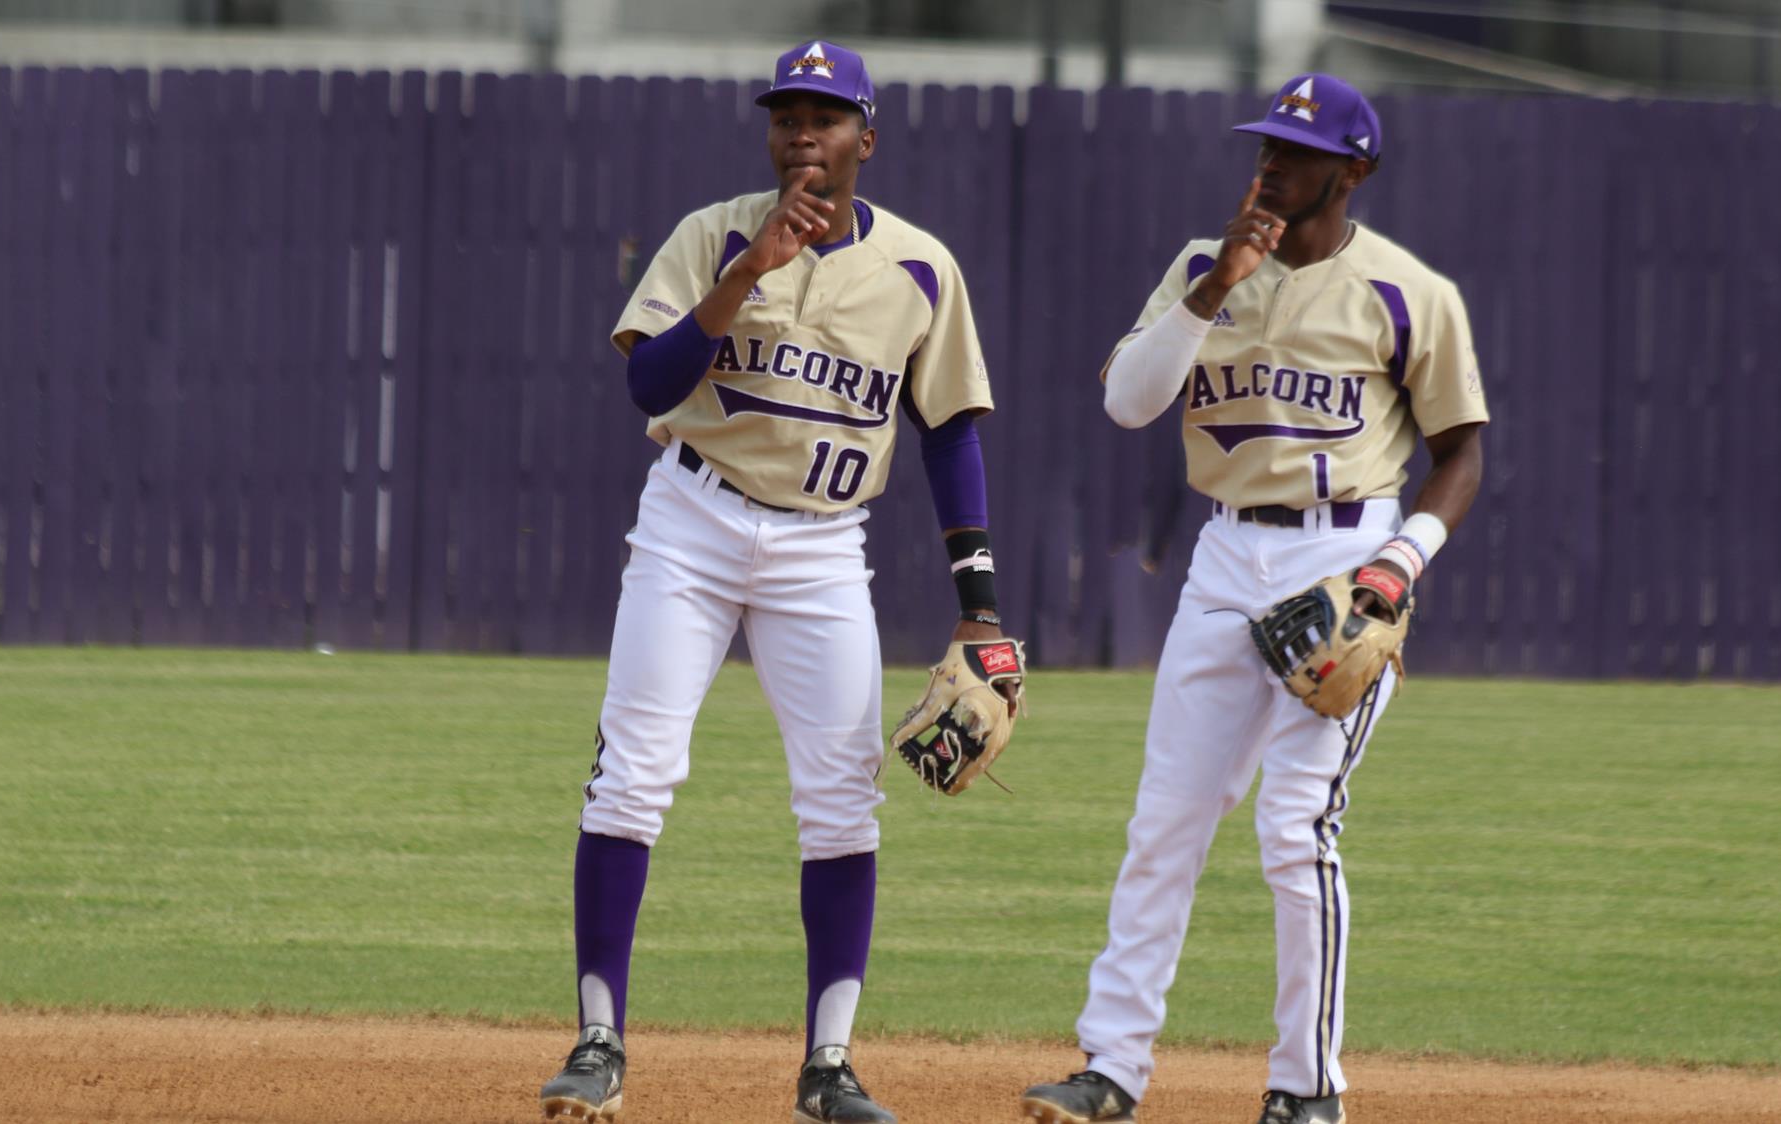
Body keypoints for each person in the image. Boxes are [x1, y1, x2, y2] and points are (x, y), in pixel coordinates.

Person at [538, 39, 1009, 1124]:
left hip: (820, 547)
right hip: (692, 520)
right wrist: (744, 272)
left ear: (864, 140)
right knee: (631, 775)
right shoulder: (712, 234)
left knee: (843, 799)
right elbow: (645, 381)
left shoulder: (921, 268)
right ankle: (598, 1041)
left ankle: (828, 1066)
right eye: (786, 115)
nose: (802, 132)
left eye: (824, 116)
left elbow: (947, 434)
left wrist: (977, 601)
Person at [1020, 74, 1488, 1124]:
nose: (1269, 163)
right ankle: (1110, 1065)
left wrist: (1397, 564)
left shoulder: (1409, 291)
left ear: (1349, 171)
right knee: (1165, 818)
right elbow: (1127, 401)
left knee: (1293, 824)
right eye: (1265, 143)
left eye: (1295, 150)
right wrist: (1210, 285)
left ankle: (1304, 1086)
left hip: (1346, 558)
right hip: (1226, 555)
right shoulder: (1200, 266)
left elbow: (1460, 451)